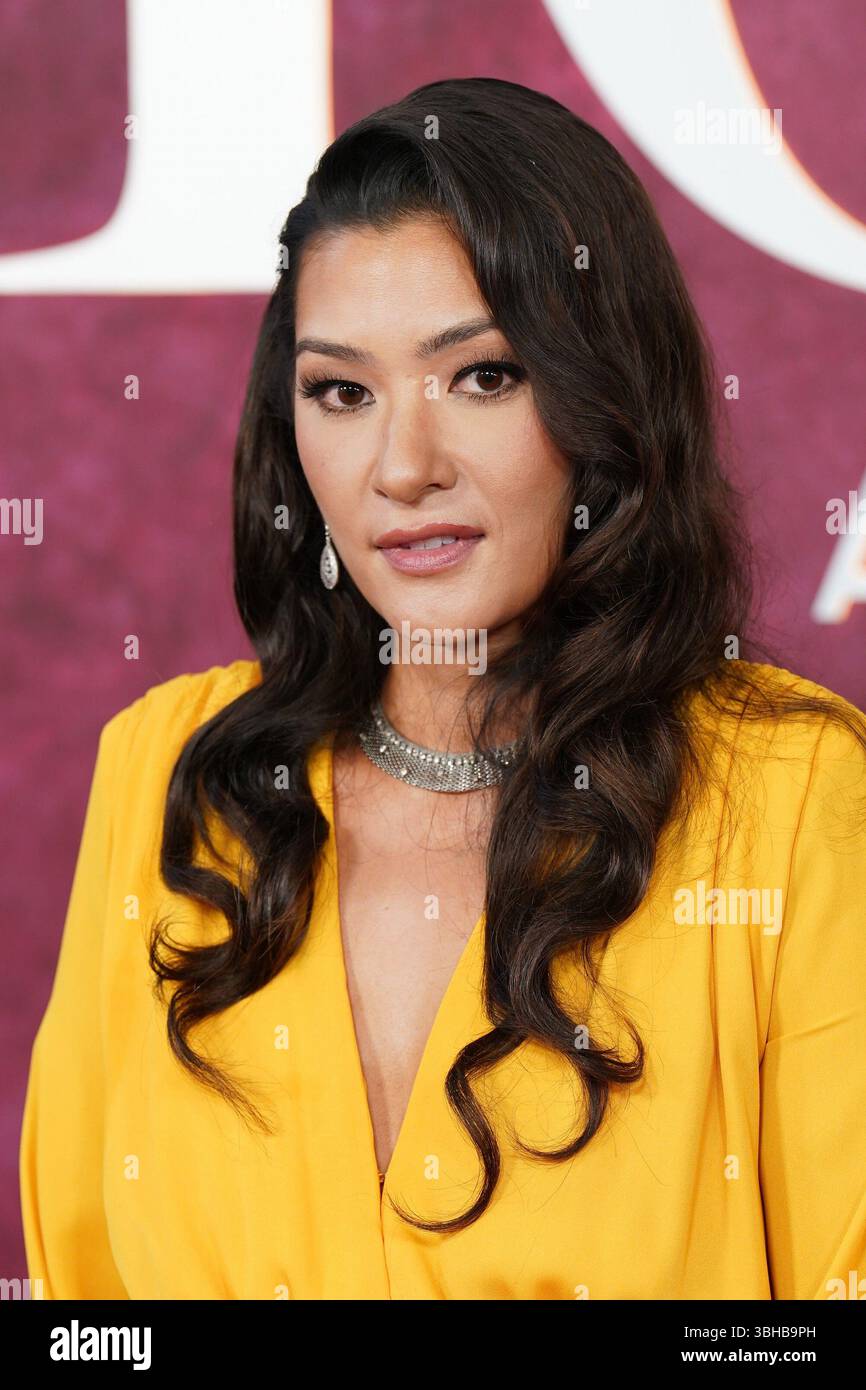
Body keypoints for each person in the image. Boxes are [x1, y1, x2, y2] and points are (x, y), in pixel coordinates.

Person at [20, 77, 866, 1301]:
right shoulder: (167, 772)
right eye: (342, 392)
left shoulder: (791, 798)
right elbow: (84, 1309)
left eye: (480, 376)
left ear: (605, 395)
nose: (401, 467)